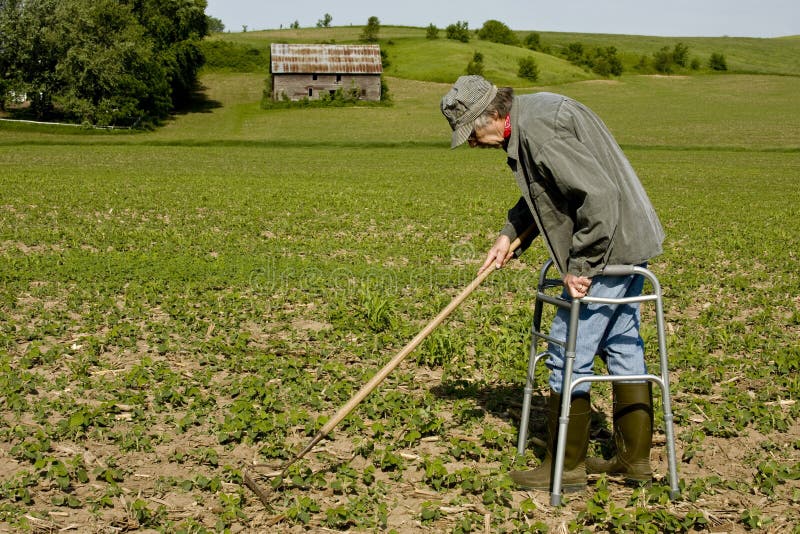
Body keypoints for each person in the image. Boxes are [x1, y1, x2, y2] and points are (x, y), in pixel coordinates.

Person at [440, 75, 665, 493]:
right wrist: (509, 235)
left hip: (606, 252)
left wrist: (581, 265)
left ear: (491, 114)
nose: (471, 142)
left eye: (471, 132)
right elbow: (544, 193)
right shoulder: (532, 117)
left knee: (565, 353)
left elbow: (597, 196)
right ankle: (633, 462)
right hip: (627, 244)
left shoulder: (540, 133)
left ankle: (564, 468)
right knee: (622, 344)